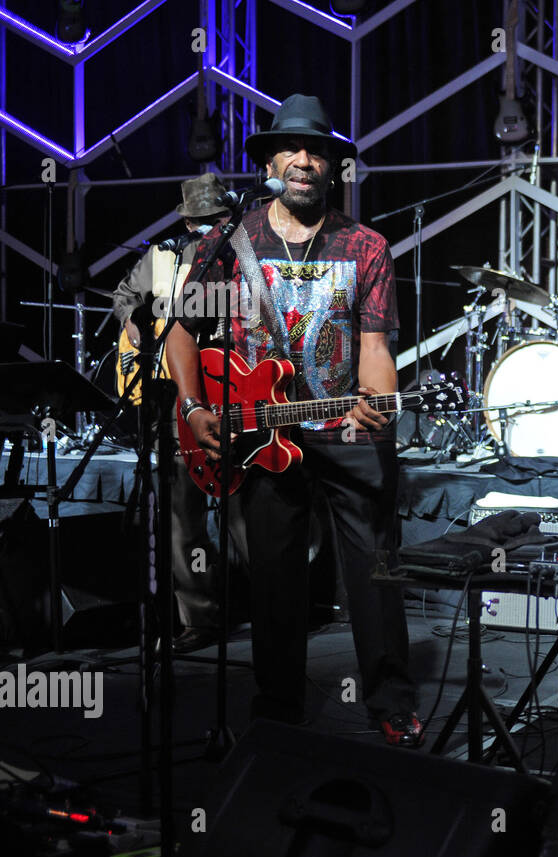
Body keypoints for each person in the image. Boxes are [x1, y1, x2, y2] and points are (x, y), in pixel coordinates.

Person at [165, 94, 423, 746]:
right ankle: (278, 712)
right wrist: (194, 407)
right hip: (260, 430)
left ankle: (391, 705)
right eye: (293, 150)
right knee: (275, 580)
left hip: (341, 426)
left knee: (374, 567)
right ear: (272, 162)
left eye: (319, 151)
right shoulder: (233, 243)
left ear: (333, 167)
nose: (306, 160)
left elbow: (374, 347)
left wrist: (377, 411)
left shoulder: (365, 247)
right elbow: (179, 334)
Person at [112, 173, 232, 654]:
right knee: (183, 515)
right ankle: (198, 618)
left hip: (233, 393)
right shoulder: (161, 258)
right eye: (199, 222)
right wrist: (133, 324)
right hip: (174, 398)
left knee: (244, 511)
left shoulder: (243, 257)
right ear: (185, 220)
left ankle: (268, 608)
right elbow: (123, 295)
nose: (207, 229)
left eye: (216, 220)